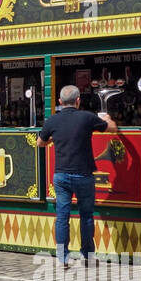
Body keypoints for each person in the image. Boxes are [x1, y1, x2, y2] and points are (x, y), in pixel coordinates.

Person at [36, 85, 116, 268]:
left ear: (60, 102)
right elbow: (112, 128)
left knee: (62, 216)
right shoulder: (87, 117)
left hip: (61, 175)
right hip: (83, 175)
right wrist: (106, 117)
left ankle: (63, 258)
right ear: (78, 100)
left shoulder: (52, 120)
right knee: (86, 216)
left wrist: (53, 140)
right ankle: (87, 255)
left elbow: (40, 142)